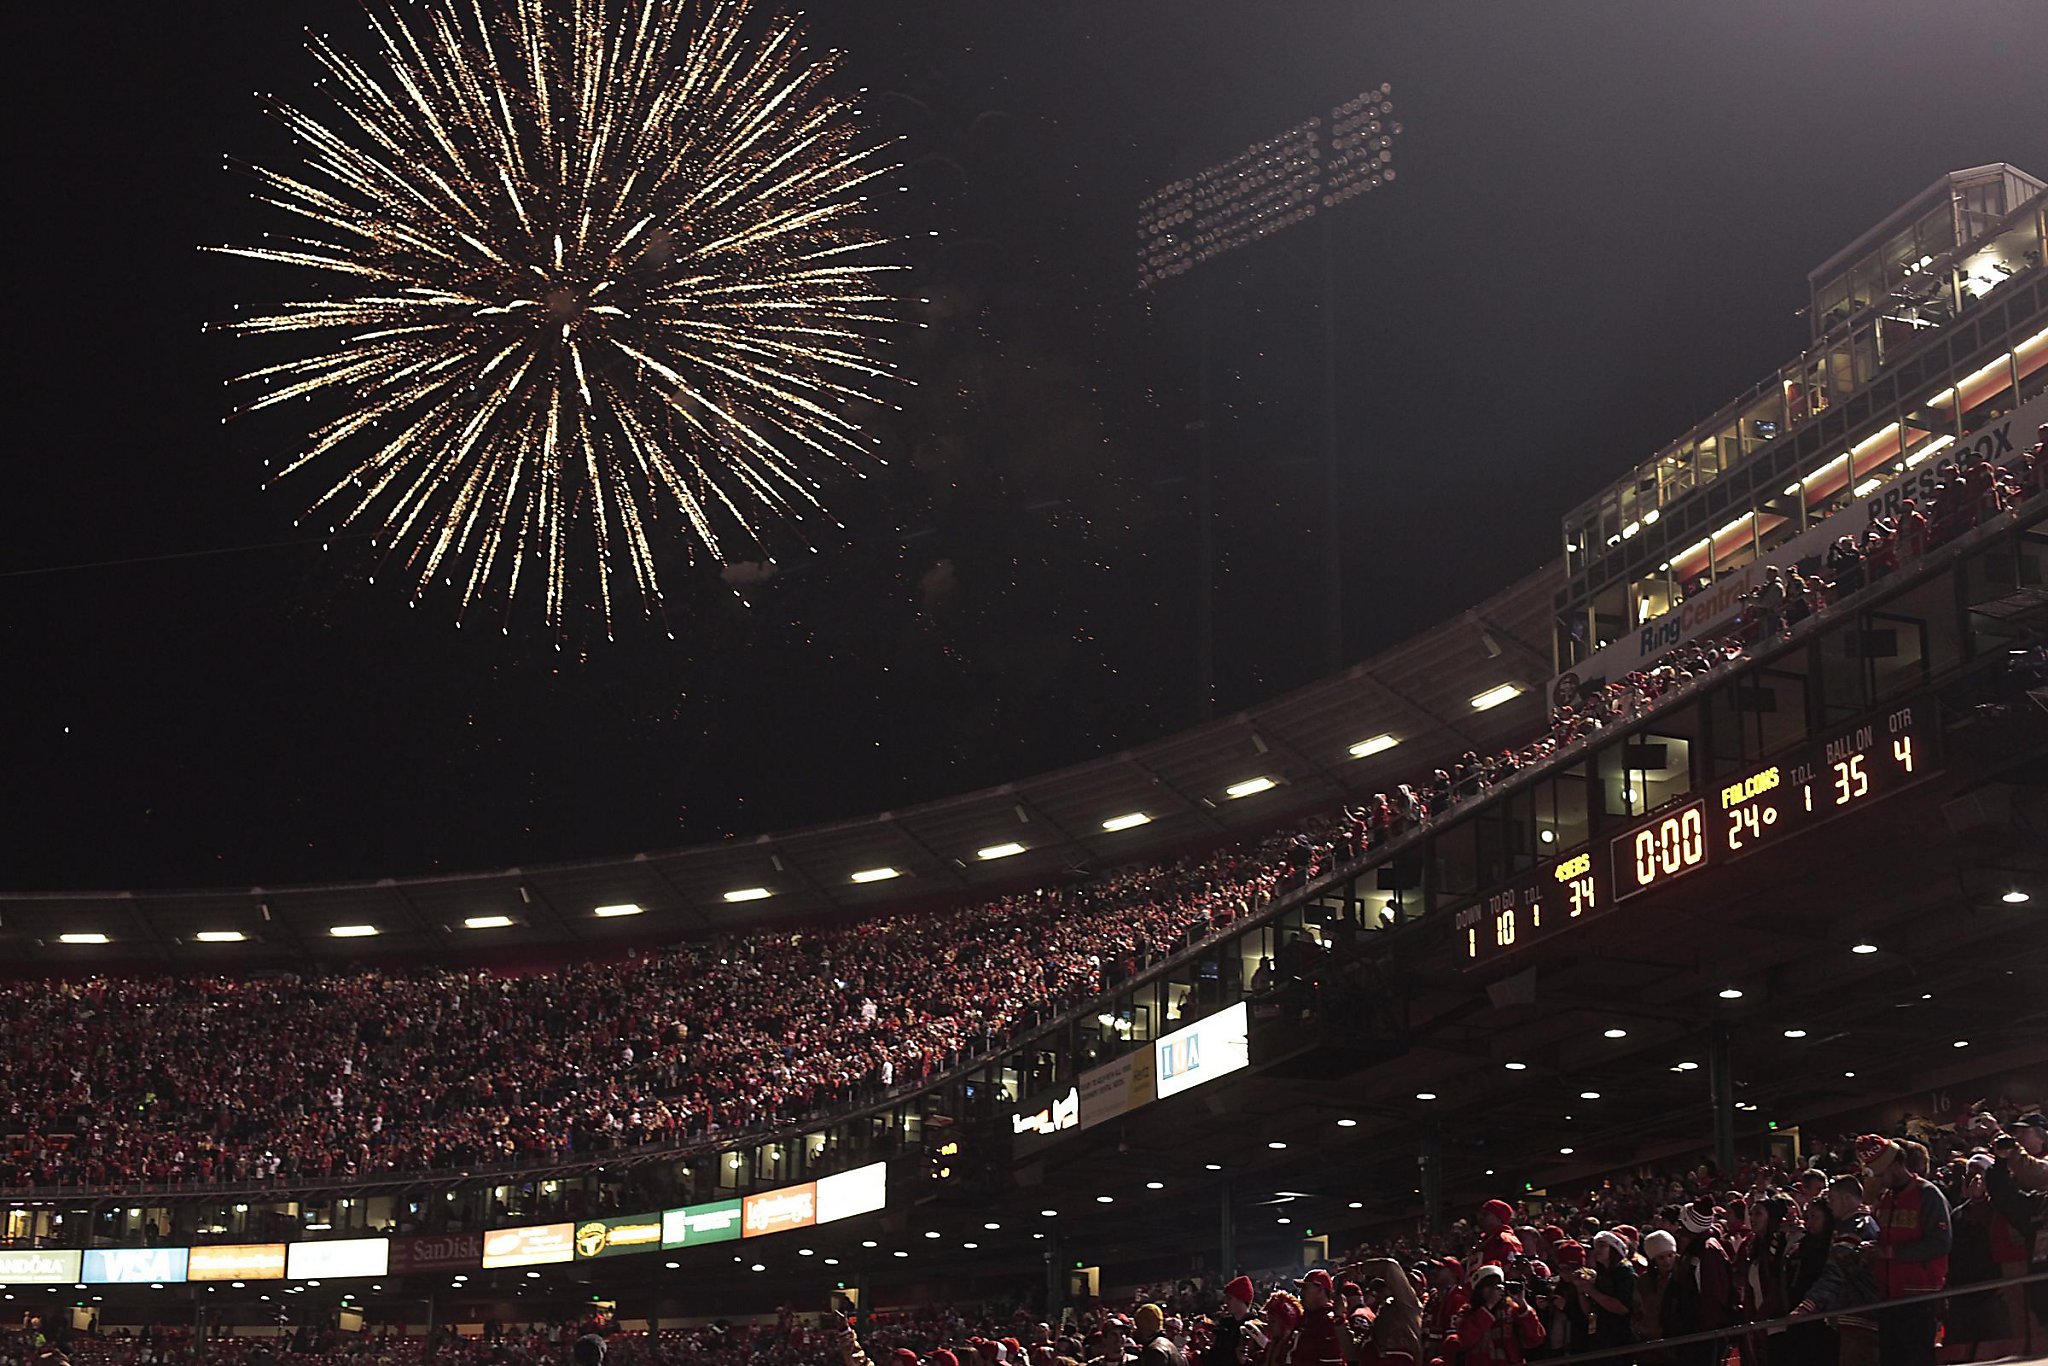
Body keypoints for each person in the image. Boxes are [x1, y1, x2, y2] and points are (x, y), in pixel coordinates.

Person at [1856, 1134, 1950, 1366]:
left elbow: (1940, 1243)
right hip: (1889, 1298)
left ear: (1897, 1164)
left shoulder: (1928, 1194)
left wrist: (1891, 1253)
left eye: (1880, 1171)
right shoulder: (1885, 1198)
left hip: (1920, 1297)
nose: (1878, 1177)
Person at [1441, 1264, 1544, 1366]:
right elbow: (1465, 1339)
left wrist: (1523, 1305)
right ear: (1478, 1290)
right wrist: (1488, 1306)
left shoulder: (1512, 1308)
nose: (1494, 1289)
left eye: (1498, 1284)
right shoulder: (1467, 1311)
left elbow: (1535, 1339)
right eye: (1488, 1285)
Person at [1290, 1270, 1350, 1366]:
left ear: (1321, 1290)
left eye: (1305, 1287)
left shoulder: (1329, 1321)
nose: (1301, 1293)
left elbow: (1333, 1362)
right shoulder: (1306, 1317)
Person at [1204, 1277, 1259, 1366]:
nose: (1226, 1302)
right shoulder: (1225, 1327)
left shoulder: (1255, 1328)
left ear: (1241, 1299)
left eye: (1229, 1298)